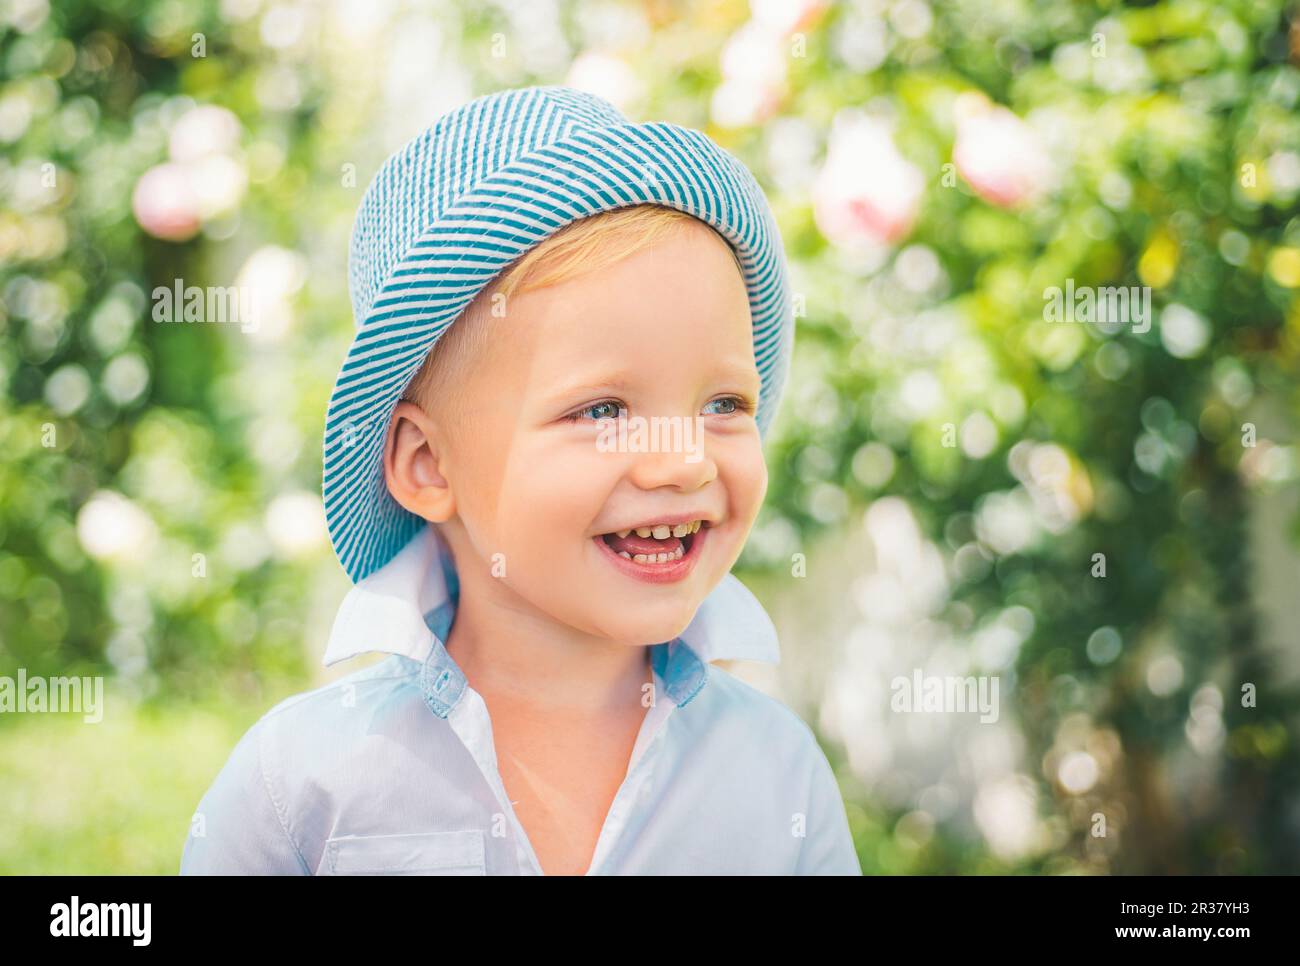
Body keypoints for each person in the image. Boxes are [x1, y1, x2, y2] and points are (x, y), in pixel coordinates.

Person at [180, 86, 860, 875]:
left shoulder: (779, 776)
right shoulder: (301, 786)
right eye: (603, 409)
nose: (686, 460)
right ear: (428, 464)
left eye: (723, 403)